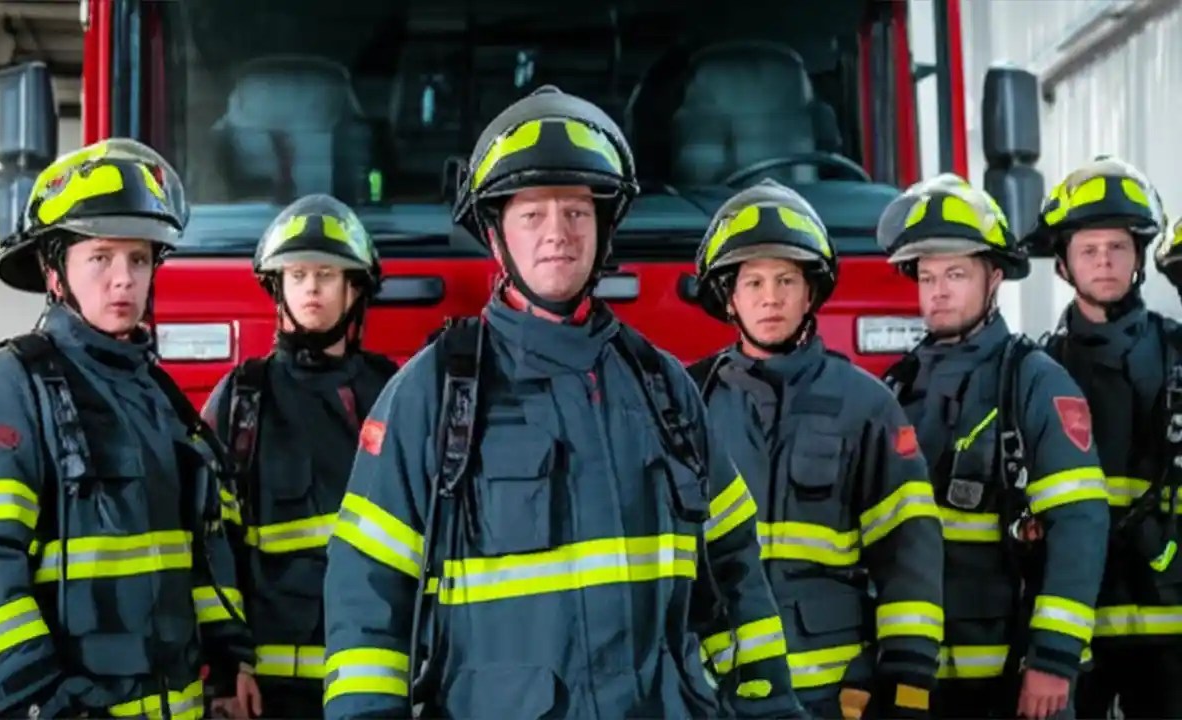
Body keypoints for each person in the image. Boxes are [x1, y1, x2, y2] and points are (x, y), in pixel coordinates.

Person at [321, 85, 806, 719]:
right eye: (533, 214)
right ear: (498, 237)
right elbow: (367, 599)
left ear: (604, 228)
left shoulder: (662, 389)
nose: (559, 234)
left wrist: (769, 708)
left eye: (578, 211)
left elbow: (735, 572)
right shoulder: (430, 396)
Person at [0, 138, 258, 719]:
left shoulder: (160, 400)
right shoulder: (7, 388)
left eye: (139, 258)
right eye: (100, 258)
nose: (123, 279)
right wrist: (42, 701)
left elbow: (196, 549)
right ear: (55, 272)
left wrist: (229, 660)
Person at [687, 181, 944, 719]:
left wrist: (905, 680)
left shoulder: (868, 405)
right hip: (719, 688)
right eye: (752, 281)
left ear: (811, 293)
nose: (770, 297)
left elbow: (908, 553)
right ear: (728, 297)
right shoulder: (688, 402)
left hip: (837, 693)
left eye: (786, 280)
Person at [876, 174, 1109, 720]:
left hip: (1016, 678)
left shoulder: (1035, 382)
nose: (938, 290)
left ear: (995, 277)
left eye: (956, 273)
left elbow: (1080, 522)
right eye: (927, 275)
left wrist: (1053, 657)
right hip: (918, 678)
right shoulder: (895, 388)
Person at [202, 194, 397, 718]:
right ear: (278, 287)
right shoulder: (243, 397)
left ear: (354, 288)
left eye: (327, 274)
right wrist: (228, 667)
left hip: (372, 678)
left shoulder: (396, 393)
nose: (311, 287)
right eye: (298, 274)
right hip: (268, 689)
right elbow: (214, 542)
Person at [1022, 157, 1182, 719]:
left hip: (1169, 624)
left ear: (1139, 256)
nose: (1104, 262)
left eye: (1117, 247)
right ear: (1063, 264)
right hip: (1071, 626)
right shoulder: (1034, 367)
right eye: (1088, 249)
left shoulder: (1176, 353)